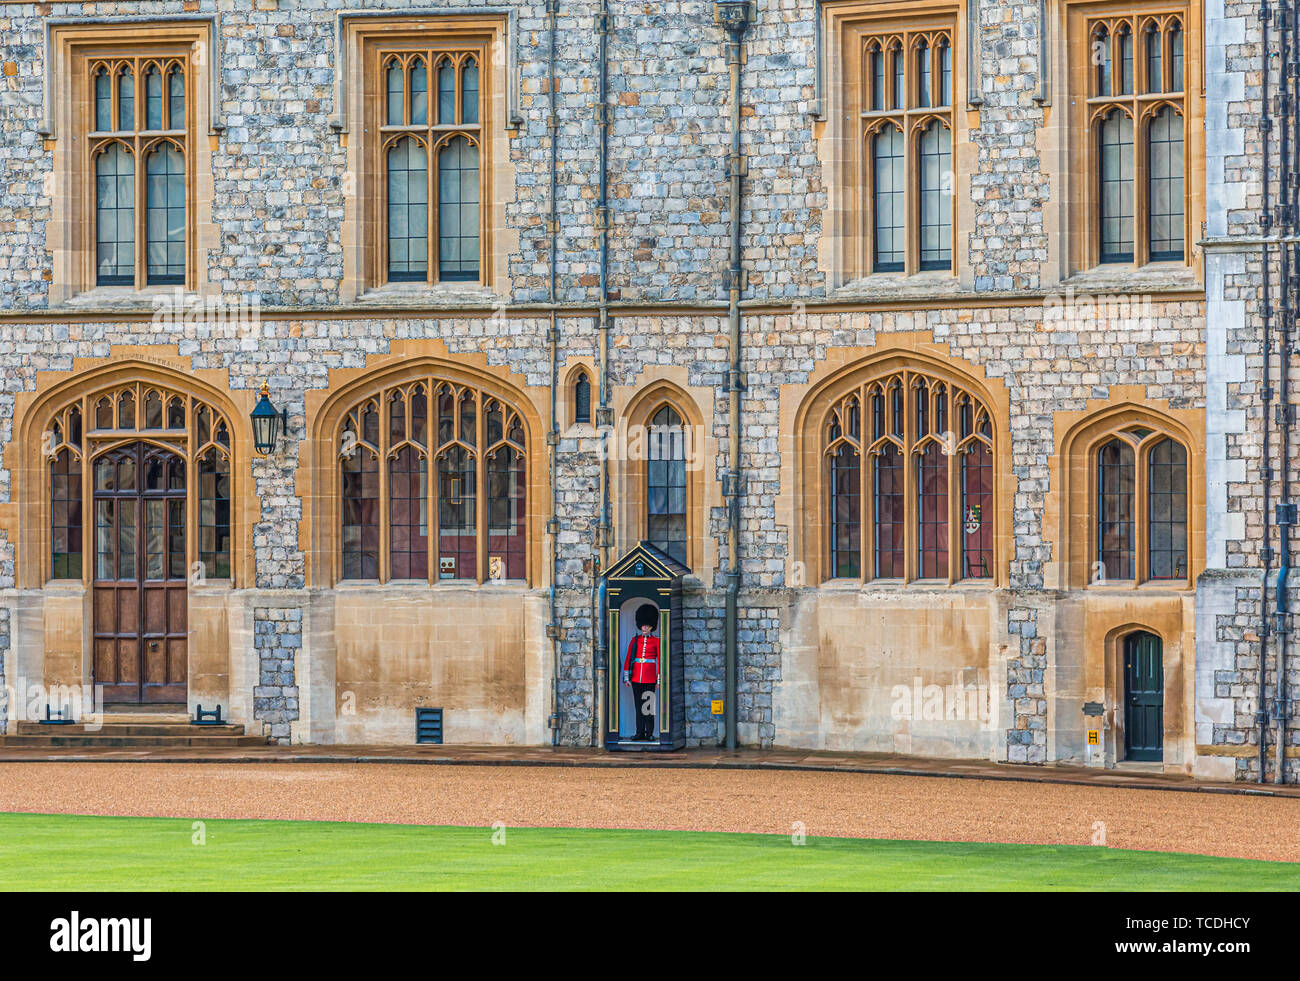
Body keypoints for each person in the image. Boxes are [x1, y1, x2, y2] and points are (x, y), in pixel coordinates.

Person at [621, 604, 660, 741]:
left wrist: (658, 679)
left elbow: (660, 660)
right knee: (639, 707)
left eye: (647, 626)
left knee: (648, 707)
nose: (644, 628)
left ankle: (649, 733)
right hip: (637, 678)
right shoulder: (635, 640)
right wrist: (627, 678)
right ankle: (639, 732)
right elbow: (628, 658)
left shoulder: (656, 641)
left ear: (651, 627)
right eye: (643, 625)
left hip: (650, 678)